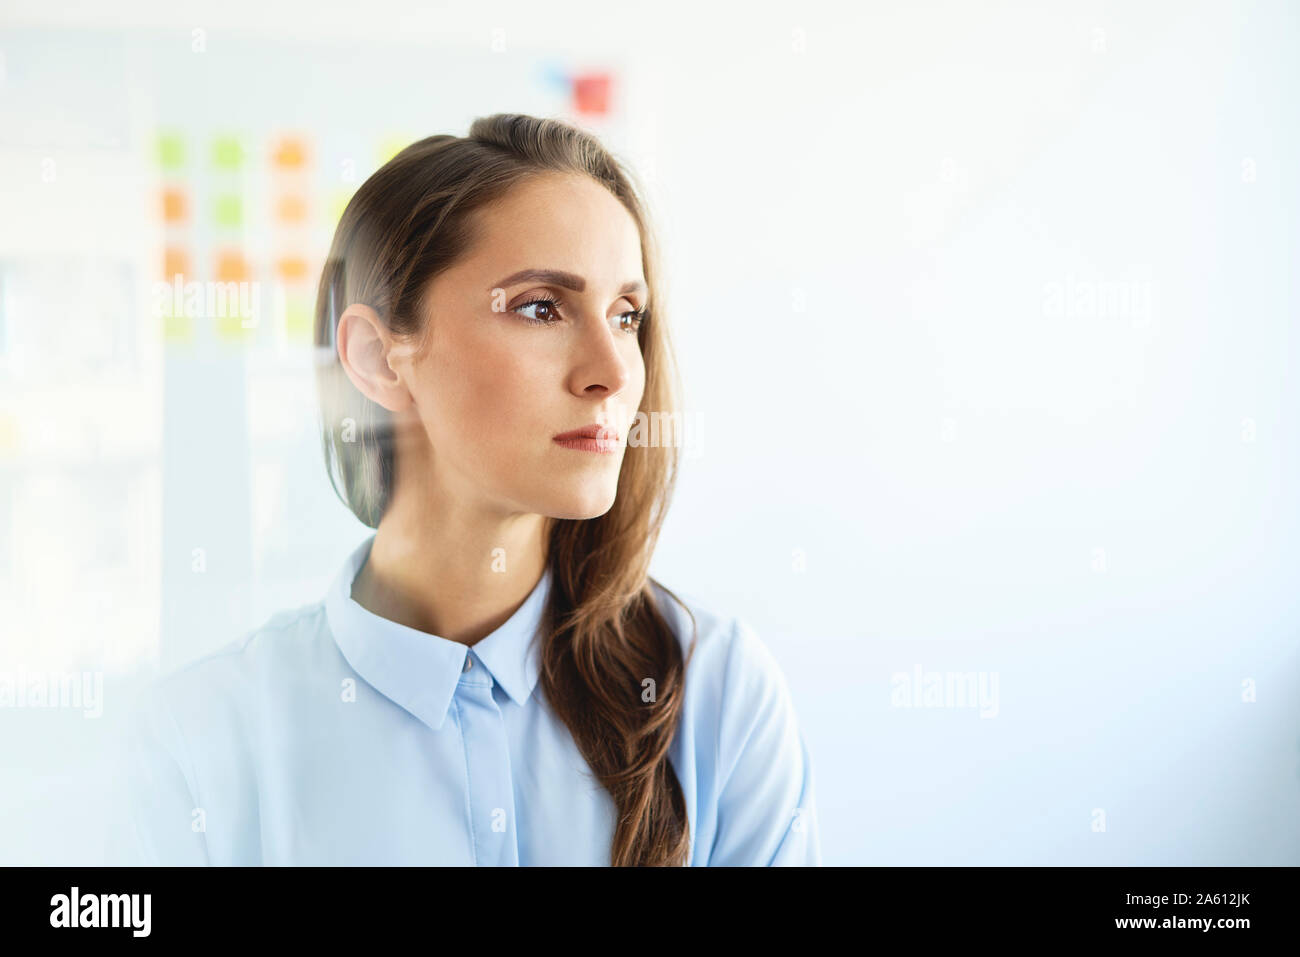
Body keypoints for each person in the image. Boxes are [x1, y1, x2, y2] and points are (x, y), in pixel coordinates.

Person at [113, 113, 820, 866]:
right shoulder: (197, 742)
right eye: (541, 307)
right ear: (380, 359)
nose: (614, 372)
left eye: (626, 316)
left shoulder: (717, 695)